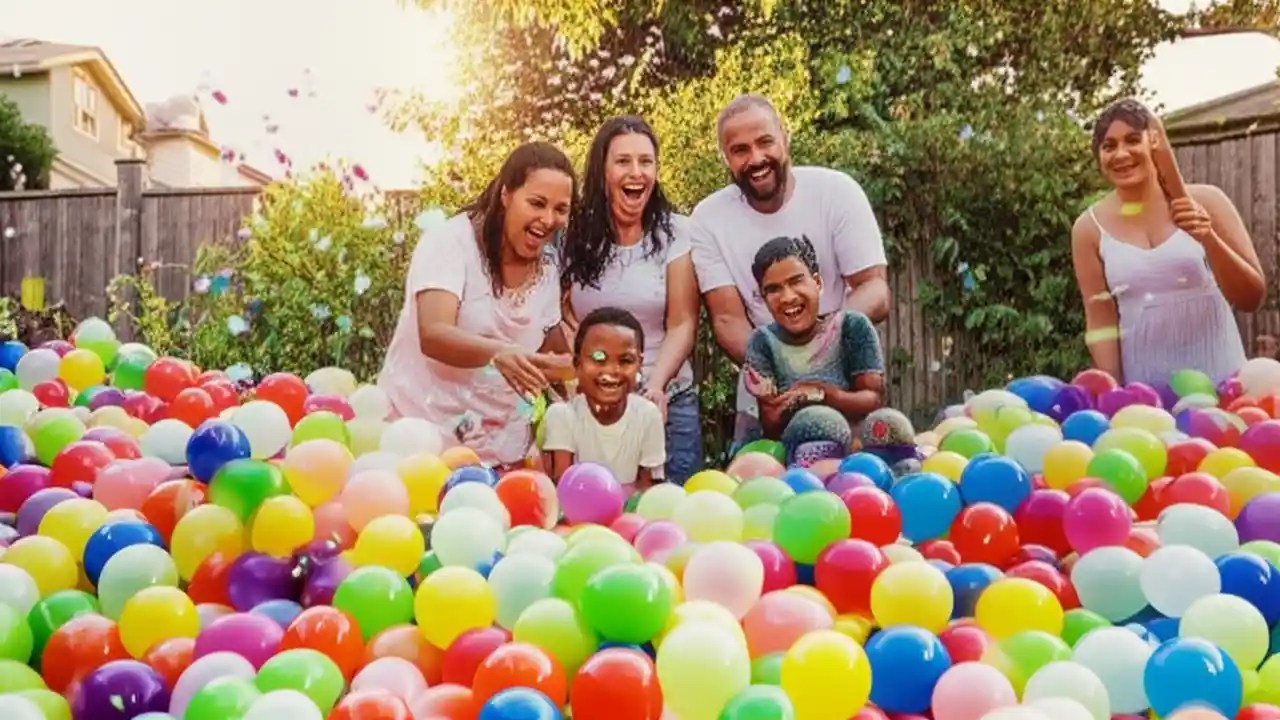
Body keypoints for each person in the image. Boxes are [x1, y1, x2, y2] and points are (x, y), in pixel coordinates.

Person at [690, 93, 891, 447]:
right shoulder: (708, 219)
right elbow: (726, 319)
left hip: (846, 368)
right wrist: (776, 367)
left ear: (785, 138)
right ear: (725, 158)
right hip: (766, 376)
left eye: (765, 142)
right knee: (758, 470)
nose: (756, 158)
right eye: (740, 150)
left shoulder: (836, 191)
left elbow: (874, 289)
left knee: (859, 470)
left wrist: (823, 350)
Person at [378, 142, 576, 469]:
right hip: (421, 444)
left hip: (499, 451)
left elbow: (552, 357)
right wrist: (498, 352)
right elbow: (434, 332)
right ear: (506, 194)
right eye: (537, 203)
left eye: (561, 209)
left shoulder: (547, 270)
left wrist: (578, 365)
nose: (548, 218)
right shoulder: (449, 242)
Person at [1070, 99, 1264, 387]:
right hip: (1148, 395)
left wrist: (1208, 237)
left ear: (1154, 144)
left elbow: (1251, 298)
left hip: (1224, 385)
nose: (1121, 154)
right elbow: (1101, 320)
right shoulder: (1088, 228)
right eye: (1109, 146)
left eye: (1132, 140)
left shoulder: (1207, 201)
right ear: (1099, 158)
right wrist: (1112, 391)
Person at [560, 116, 701, 484]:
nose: (636, 172)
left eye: (646, 161)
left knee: (667, 511)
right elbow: (561, 315)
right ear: (602, 171)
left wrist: (655, 386)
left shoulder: (677, 232)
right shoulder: (572, 236)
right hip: (592, 405)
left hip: (667, 401)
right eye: (623, 161)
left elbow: (682, 322)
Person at [742, 236, 885, 465]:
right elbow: (770, 425)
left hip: (857, 457)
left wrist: (822, 394)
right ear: (764, 298)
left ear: (817, 282)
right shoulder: (763, 342)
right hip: (794, 461)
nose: (788, 297)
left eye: (796, 281)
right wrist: (773, 399)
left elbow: (872, 399)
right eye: (774, 289)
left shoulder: (851, 327)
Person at [541, 307, 666, 490]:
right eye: (598, 358)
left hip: (632, 508)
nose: (611, 371)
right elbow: (564, 488)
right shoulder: (563, 416)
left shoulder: (648, 415)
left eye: (625, 360)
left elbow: (649, 490)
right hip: (578, 506)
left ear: (639, 364)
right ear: (577, 364)